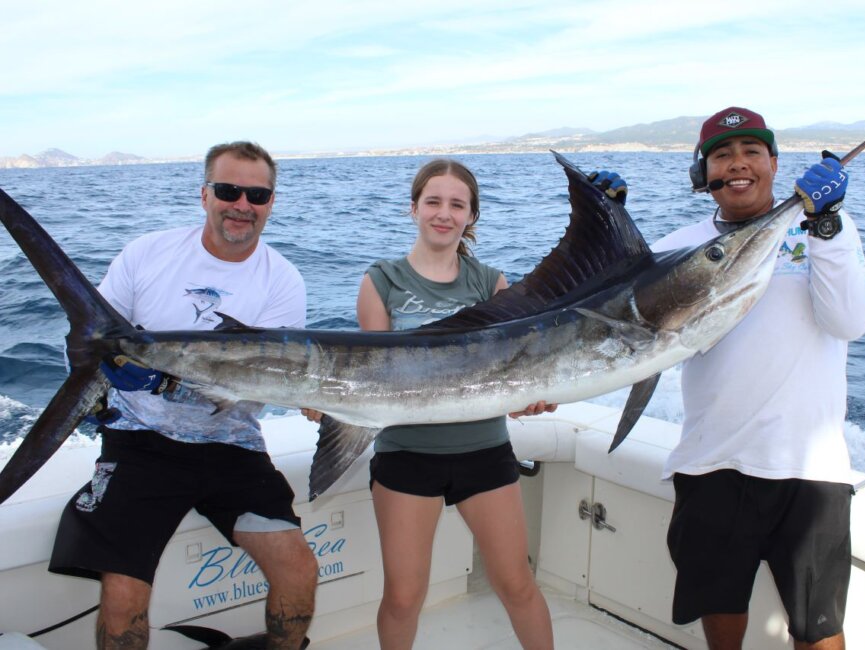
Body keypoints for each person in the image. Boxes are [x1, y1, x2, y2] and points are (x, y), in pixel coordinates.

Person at [48, 141, 318, 650]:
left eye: (256, 194)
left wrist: (313, 397)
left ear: (271, 202)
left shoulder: (283, 279)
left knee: (298, 567)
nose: (242, 204)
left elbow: (272, 384)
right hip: (140, 441)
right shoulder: (147, 253)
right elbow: (87, 343)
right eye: (228, 189)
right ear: (204, 194)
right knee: (124, 592)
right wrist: (104, 388)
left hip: (232, 444)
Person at [642, 107, 865, 650]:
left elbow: (851, 322)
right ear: (704, 176)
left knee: (817, 629)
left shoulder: (825, 227)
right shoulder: (678, 245)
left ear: (774, 163)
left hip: (810, 468)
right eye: (723, 155)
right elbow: (632, 334)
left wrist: (825, 226)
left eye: (752, 152)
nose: (738, 163)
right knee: (721, 615)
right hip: (712, 461)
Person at [304, 158, 556, 649]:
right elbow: (363, 378)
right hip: (406, 456)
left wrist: (528, 398)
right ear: (414, 208)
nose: (444, 213)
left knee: (518, 585)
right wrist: (327, 404)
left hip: (484, 451)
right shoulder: (382, 281)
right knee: (403, 596)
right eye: (434, 202)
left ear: (471, 216)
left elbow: (511, 371)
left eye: (457, 205)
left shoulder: (490, 283)